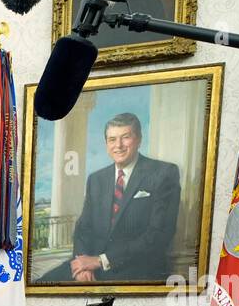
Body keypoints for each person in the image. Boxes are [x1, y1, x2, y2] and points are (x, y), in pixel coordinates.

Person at [38, 112, 180, 284]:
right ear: (106, 144)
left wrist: (100, 261)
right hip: (91, 266)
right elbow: (83, 229)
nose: (118, 145)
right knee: (41, 284)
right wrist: (82, 265)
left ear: (139, 139)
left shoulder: (163, 173)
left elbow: (158, 235)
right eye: (112, 139)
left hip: (136, 268)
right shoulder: (96, 179)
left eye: (125, 137)